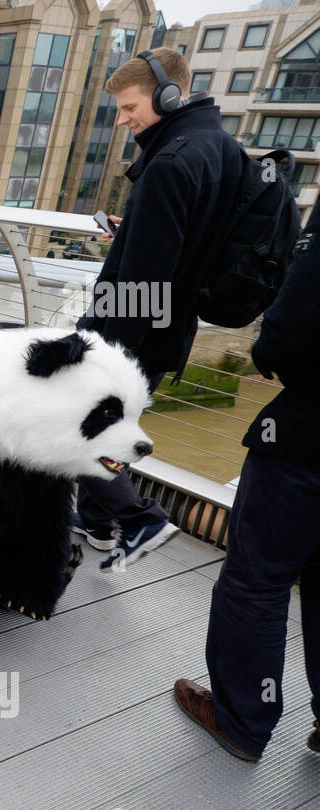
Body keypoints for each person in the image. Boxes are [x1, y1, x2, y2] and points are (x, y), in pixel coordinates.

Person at [75, 47, 242, 571]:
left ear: (169, 96)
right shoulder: (220, 149)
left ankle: (142, 518)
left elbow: (144, 280)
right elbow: (190, 244)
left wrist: (108, 352)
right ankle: (97, 527)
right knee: (107, 430)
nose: (124, 121)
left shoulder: (169, 163)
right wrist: (138, 235)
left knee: (82, 429)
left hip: (133, 333)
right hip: (173, 325)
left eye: (130, 107)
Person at [174, 205, 320, 763]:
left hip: (310, 438)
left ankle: (242, 717)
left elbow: (289, 329)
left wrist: (269, 350)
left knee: (257, 580)